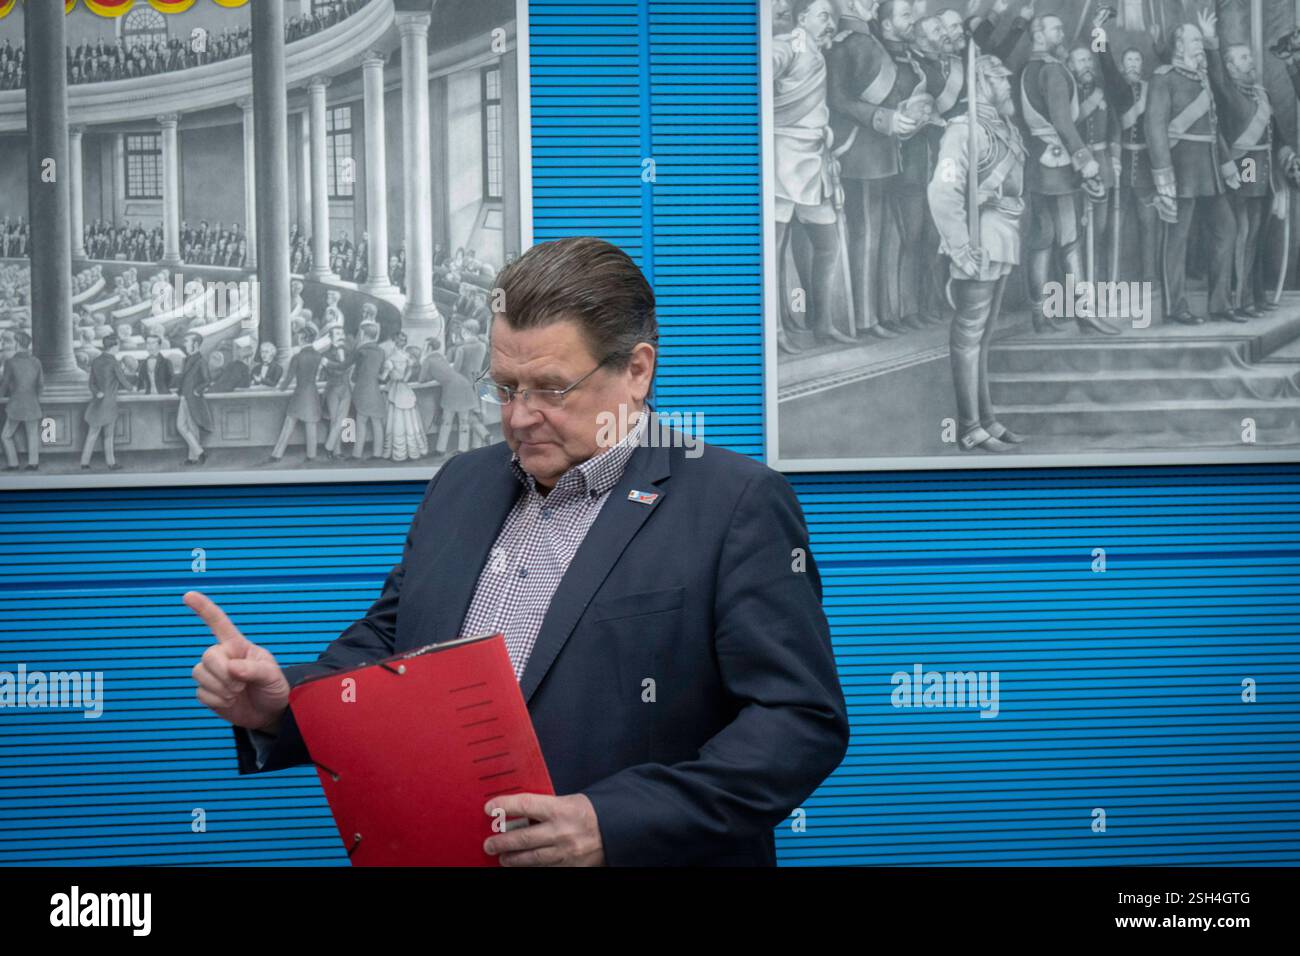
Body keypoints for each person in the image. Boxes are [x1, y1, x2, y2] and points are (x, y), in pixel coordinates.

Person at [185, 235, 849, 866]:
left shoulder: (735, 502)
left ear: (637, 370)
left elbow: (797, 722)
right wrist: (283, 701)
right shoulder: (461, 484)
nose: (519, 417)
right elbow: (389, 650)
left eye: (550, 390)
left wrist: (611, 823)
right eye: (504, 387)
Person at [928, 54, 1026, 454]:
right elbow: (943, 190)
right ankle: (969, 427)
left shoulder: (1000, 126)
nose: (1007, 87)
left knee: (983, 337)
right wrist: (959, 247)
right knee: (969, 336)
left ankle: (987, 420)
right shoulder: (962, 129)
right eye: (1002, 80)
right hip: (978, 242)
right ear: (984, 83)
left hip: (1002, 238)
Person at [1018, 14, 1117, 335]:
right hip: (1059, 168)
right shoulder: (1053, 71)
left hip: (1037, 166)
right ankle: (1084, 313)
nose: (1061, 30)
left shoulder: (1028, 69)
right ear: (1039, 34)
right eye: (1055, 27)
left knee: (1042, 239)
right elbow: (1063, 122)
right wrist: (1085, 160)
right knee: (1070, 239)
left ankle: (1040, 315)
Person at [1202, 13, 1297, 320]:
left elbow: (1277, 134)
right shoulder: (1228, 93)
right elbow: (1215, 76)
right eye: (1242, 58)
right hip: (1245, 172)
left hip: (1267, 174)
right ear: (1230, 67)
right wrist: (1210, 43)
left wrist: (1288, 156)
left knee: (1258, 235)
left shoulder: (1262, 94)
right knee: (1245, 236)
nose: (1250, 62)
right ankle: (1242, 301)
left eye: (1249, 57)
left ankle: (1256, 295)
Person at [1147, 17, 1240, 325]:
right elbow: (1155, 129)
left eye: (1201, 41)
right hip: (1181, 171)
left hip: (1209, 170)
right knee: (1177, 240)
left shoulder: (1201, 78)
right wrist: (1164, 176)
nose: (1200, 46)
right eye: (1195, 41)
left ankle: (1220, 303)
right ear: (1179, 46)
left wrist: (1226, 165)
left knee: (1226, 230)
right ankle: (1175, 307)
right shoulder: (1164, 78)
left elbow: (1214, 128)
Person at [772, 0, 853, 353]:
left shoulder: (819, 53)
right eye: (823, 16)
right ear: (802, 17)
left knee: (828, 243)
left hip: (814, 159)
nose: (829, 23)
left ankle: (823, 324)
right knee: (771, 252)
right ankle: (773, 332)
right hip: (782, 160)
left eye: (832, 17)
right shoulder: (785, 46)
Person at [270, 328, 325, 462]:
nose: (297, 340)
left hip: (300, 394)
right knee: (311, 425)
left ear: (302, 338)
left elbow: (288, 379)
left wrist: (279, 389)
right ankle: (312, 455)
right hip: (313, 394)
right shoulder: (319, 356)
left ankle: (277, 454)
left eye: (299, 337)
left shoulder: (297, 357)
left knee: (289, 424)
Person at [80, 332, 133, 471]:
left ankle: (84, 462)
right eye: (118, 344)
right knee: (108, 435)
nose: (119, 347)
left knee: (92, 433)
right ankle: (111, 463)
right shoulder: (113, 362)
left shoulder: (97, 361)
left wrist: (97, 392)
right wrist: (132, 387)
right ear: (114, 346)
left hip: (97, 403)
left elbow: (91, 383)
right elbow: (123, 382)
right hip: (109, 403)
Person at [0, 330, 42, 471]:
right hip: (33, 404)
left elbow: (4, 384)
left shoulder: (10, 362)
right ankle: (33, 463)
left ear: (17, 343)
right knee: (32, 434)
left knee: (6, 435)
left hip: (16, 404)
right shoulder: (36, 362)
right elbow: (40, 385)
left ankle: (13, 463)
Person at [380, 338, 428, 461]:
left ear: (395, 344)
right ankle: (413, 451)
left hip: (394, 389)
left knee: (395, 421)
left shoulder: (389, 360)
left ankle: (397, 453)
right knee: (410, 421)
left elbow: (383, 377)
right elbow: (406, 378)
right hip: (404, 388)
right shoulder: (408, 359)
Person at [350, 320, 387, 460]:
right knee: (376, 421)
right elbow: (381, 371)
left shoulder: (361, 351)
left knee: (361, 421)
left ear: (363, 334)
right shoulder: (381, 351)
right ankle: (377, 454)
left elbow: (355, 373)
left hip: (362, 389)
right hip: (374, 389)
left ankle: (356, 454)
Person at [175, 331, 212, 465]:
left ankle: (194, 457)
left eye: (187, 341)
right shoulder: (186, 359)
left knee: (189, 426)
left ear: (195, 344)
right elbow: (184, 378)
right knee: (184, 426)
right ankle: (199, 453)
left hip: (193, 398)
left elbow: (207, 380)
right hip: (185, 396)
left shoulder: (201, 360)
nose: (185, 344)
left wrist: (197, 390)